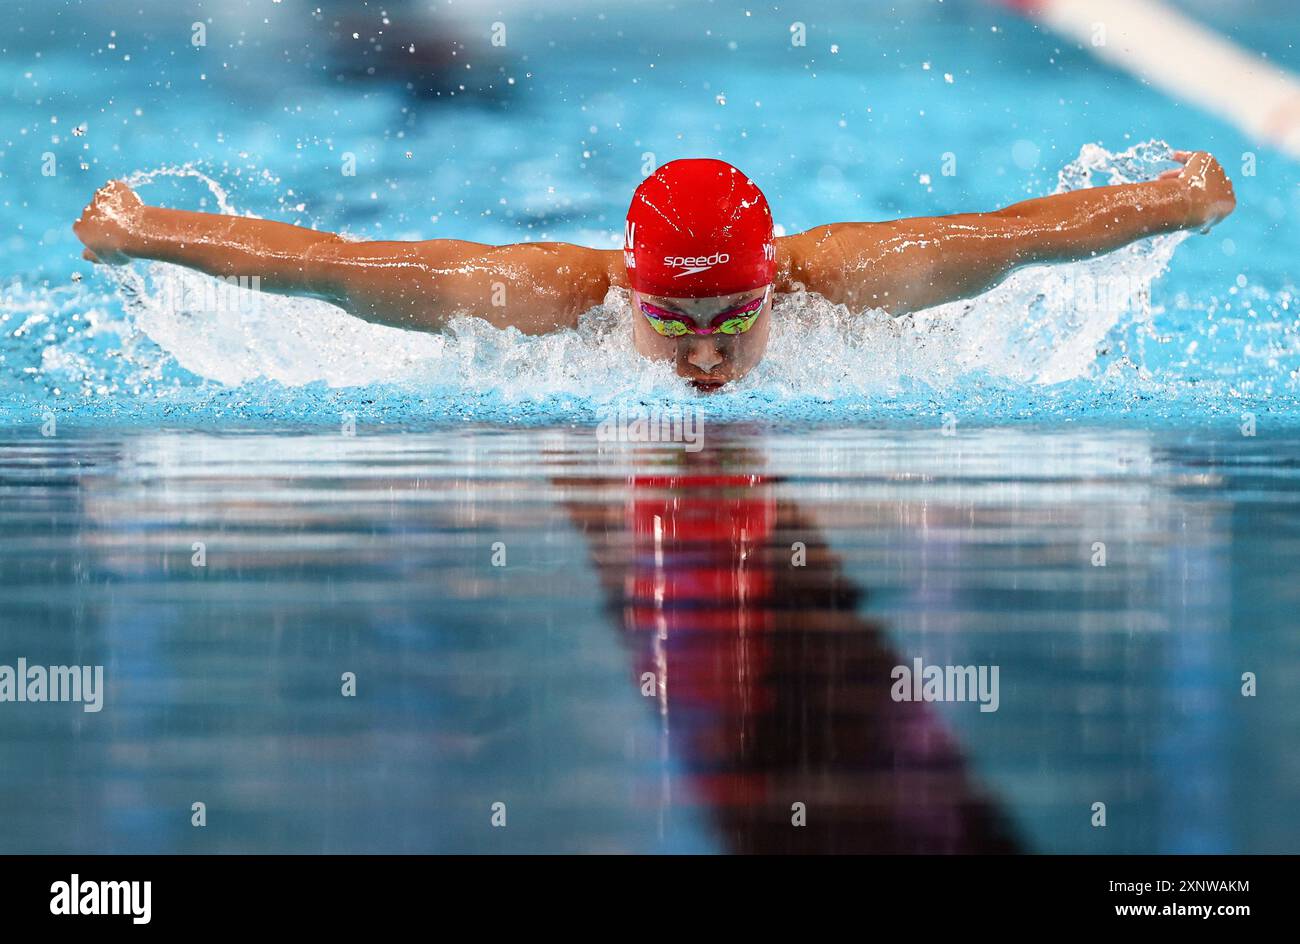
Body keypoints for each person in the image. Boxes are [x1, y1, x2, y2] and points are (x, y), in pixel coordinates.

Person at [73, 152, 1235, 391]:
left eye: (734, 312)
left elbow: (1025, 230)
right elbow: (330, 266)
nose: (705, 348)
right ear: (627, 289)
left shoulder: (864, 278)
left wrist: (1172, 199)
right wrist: (144, 228)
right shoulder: (531, 300)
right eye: (674, 314)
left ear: (773, 278)